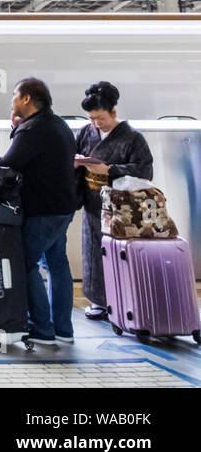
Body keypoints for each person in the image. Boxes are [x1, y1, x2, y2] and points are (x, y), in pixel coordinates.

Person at [0, 77, 78, 347]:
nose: (11, 99)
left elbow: (8, 164)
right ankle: (63, 330)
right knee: (57, 265)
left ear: (26, 99)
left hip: (42, 211)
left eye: (14, 94)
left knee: (25, 264)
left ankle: (43, 330)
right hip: (63, 208)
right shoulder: (58, 124)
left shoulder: (33, 129)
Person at [73, 81, 154, 322]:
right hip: (92, 203)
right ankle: (98, 301)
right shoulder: (85, 132)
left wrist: (109, 169)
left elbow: (144, 171)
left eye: (100, 118)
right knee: (93, 252)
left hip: (121, 208)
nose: (95, 123)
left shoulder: (133, 138)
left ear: (114, 112)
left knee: (119, 253)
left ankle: (124, 300)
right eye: (91, 118)